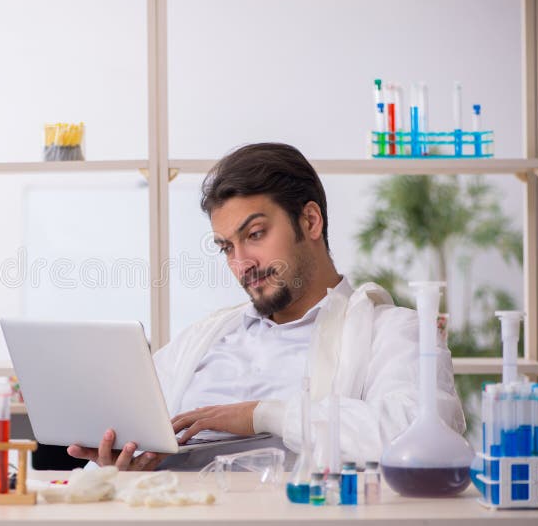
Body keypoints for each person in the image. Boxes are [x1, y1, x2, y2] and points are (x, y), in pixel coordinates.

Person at [67, 142, 466, 471]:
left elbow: (421, 435)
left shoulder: (391, 330)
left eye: (255, 234)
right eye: (226, 247)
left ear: (310, 221)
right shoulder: (206, 338)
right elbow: (132, 430)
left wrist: (261, 415)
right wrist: (119, 462)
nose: (241, 263)